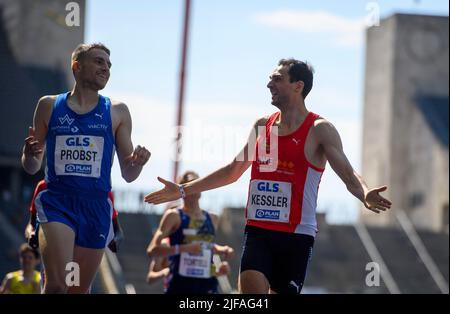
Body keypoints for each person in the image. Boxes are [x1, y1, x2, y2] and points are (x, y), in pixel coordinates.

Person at [144, 59, 392, 294]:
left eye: (276, 78)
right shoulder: (262, 126)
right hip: (259, 230)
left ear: (298, 86)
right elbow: (233, 170)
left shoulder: (320, 129)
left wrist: (364, 192)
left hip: (296, 236)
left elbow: (348, 173)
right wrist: (183, 189)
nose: (268, 84)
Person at [21, 43, 151, 294]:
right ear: (77, 67)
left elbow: (128, 174)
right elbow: (32, 166)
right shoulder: (49, 106)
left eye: (109, 65)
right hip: (58, 202)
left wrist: (138, 163)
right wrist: (29, 155)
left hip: (96, 207)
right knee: (58, 284)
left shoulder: (117, 111)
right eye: (99, 62)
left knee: (77, 289)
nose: (106, 68)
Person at [146, 171, 234, 294]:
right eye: (190, 183)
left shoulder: (213, 218)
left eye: (198, 183)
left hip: (208, 287)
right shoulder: (174, 216)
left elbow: (204, 248)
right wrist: (183, 249)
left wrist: (220, 262)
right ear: (181, 189)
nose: (195, 187)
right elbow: (152, 250)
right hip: (179, 287)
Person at [25, 179, 124, 253]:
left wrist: (115, 241)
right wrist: (31, 233)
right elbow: (31, 224)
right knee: (55, 280)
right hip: (52, 253)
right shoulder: (44, 186)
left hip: (82, 254)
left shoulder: (104, 193)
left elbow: (118, 232)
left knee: (75, 280)